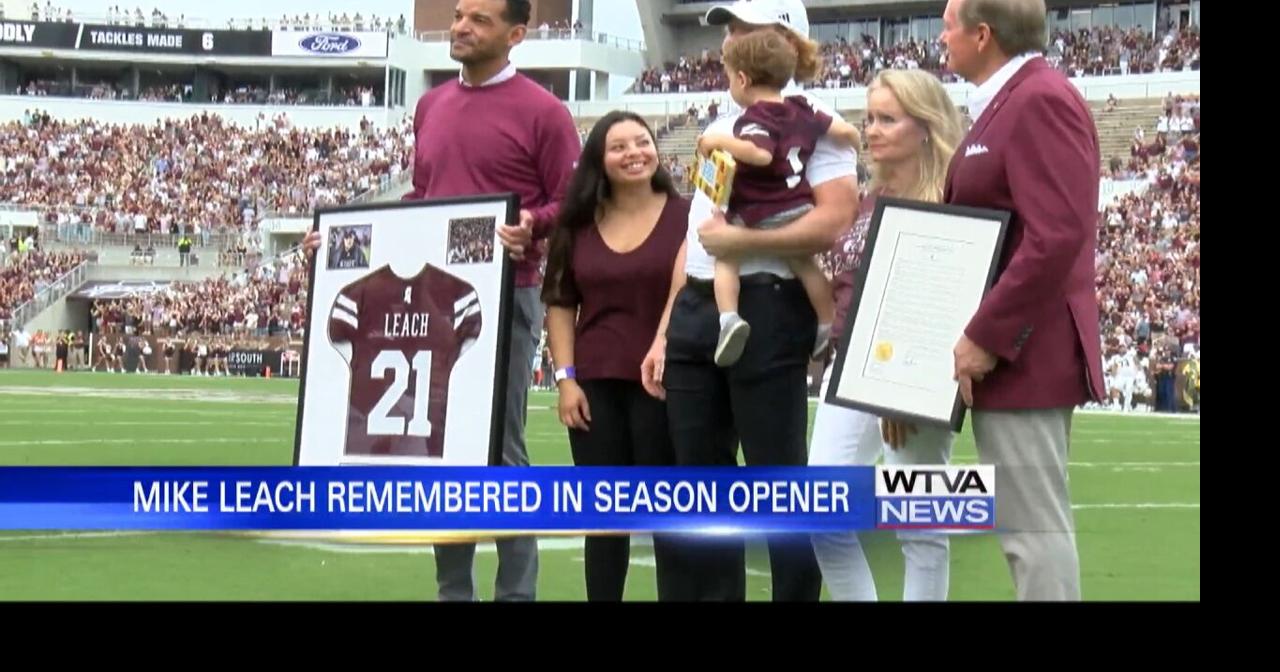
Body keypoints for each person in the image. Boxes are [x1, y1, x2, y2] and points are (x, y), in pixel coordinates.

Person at [305, 0, 578, 602]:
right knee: (443, 455)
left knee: (501, 452)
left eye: (479, 19)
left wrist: (532, 222)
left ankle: (516, 594)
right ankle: (453, 592)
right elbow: (423, 201)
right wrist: (342, 245)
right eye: (458, 14)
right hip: (428, 303)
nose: (460, 27)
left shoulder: (545, 112)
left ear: (515, 34)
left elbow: (573, 202)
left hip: (508, 296)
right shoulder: (430, 104)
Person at [640, 0, 858, 602]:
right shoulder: (722, 114)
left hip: (767, 302)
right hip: (699, 307)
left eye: (739, 27)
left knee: (777, 479)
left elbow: (833, 220)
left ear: (781, 38)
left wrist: (744, 239)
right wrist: (666, 327)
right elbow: (698, 229)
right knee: (699, 481)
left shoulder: (816, 119)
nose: (727, 38)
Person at [940, 0, 1104, 601]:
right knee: (1023, 527)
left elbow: (1057, 234)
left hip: (1025, 353)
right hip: (1014, 349)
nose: (941, 34)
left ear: (983, 35)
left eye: (949, 23)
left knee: (1031, 529)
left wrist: (987, 334)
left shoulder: (1039, 98)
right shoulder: (1012, 100)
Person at [808, 69, 966, 602]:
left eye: (887, 119)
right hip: (850, 363)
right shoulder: (865, 197)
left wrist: (900, 389)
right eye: (869, 117)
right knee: (822, 512)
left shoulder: (948, 196)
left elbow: (943, 301)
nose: (871, 129)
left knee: (919, 525)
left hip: (916, 372)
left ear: (925, 127)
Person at [542, 111, 687, 601]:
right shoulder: (577, 224)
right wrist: (566, 379)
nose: (634, 153)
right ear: (599, 161)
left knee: (669, 517)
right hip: (594, 386)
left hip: (665, 385)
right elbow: (560, 304)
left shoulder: (688, 216)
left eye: (642, 142)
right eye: (619, 146)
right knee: (603, 521)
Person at [694, 28, 860, 367]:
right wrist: (854, 138)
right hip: (796, 203)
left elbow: (760, 155)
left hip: (760, 207)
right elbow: (843, 131)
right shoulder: (801, 107)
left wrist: (720, 142)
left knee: (725, 256)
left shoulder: (756, 117)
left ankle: (729, 318)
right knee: (805, 264)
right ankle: (826, 321)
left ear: (742, 79)